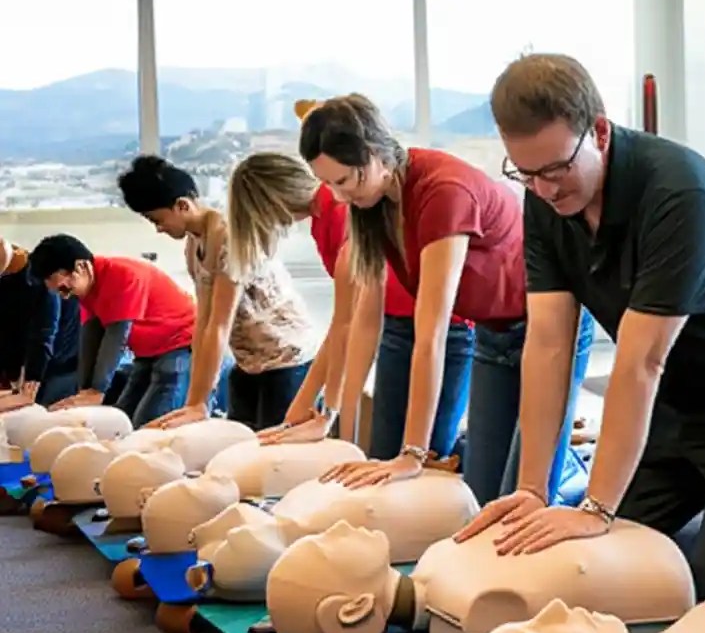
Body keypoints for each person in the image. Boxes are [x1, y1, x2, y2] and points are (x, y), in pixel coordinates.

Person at [453, 53, 705, 603]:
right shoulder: (546, 199)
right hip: (682, 399)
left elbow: (641, 363)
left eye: (555, 169)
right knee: (604, 554)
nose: (543, 189)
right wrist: (532, 488)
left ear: (599, 130)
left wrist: (595, 507)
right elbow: (547, 346)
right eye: (525, 173)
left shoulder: (678, 193)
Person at [294, 93, 594, 504]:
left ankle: (577, 472)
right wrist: (345, 440)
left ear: (375, 153)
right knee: (482, 495)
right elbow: (364, 323)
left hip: (550, 324)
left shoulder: (442, 191)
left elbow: (431, 332)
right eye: (328, 184)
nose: (339, 196)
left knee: (524, 494)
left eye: (345, 181)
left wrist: (412, 454)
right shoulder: (373, 205)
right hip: (494, 331)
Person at [224, 147, 474, 458]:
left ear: (272, 203)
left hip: (444, 328)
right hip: (397, 323)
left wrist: (327, 411)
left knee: (425, 455)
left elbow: (347, 327)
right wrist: (305, 409)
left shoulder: (342, 212)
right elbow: (344, 324)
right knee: (387, 456)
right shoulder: (321, 218)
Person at [117, 155, 317, 431]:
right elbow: (204, 324)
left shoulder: (228, 237)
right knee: (240, 446)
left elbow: (219, 325)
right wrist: (195, 401)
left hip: (287, 357)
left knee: (274, 455)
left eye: (158, 220)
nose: (159, 229)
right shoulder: (194, 246)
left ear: (182, 205)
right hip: (249, 362)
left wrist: (198, 403)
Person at [28, 234, 196, 425]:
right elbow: (90, 335)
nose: (65, 297)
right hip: (147, 354)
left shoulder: (122, 275)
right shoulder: (87, 288)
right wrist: (84, 391)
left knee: (147, 423)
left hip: (180, 344)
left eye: (65, 289)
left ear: (81, 266)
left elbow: (116, 337)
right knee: (121, 418)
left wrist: (97, 392)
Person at [0, 237, 80, 407]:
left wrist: (31, 379)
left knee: (42, 413)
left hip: (58, 363)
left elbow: (44, 333)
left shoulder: (40, 276)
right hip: (23, 360)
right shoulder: (7, 279)